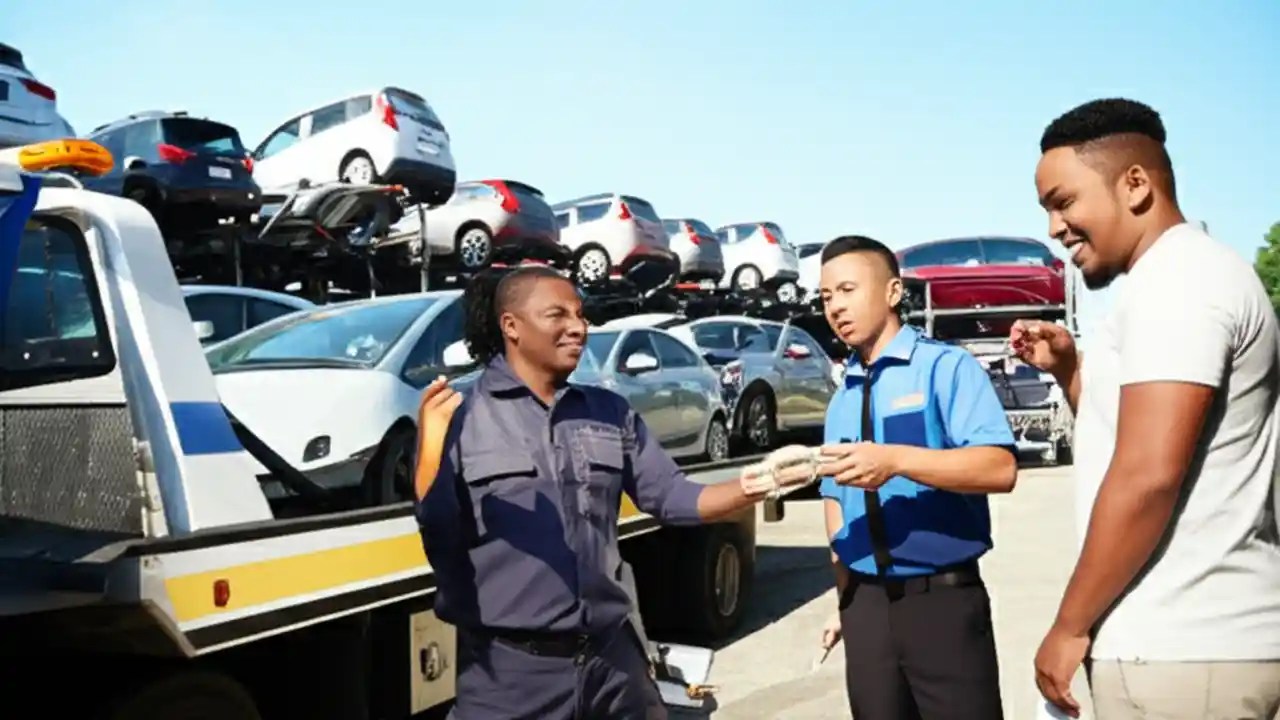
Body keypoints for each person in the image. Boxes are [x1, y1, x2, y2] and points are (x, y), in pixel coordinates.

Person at [412, 264, 806, 720]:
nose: (578, 328)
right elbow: (438, 532)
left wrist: (760, 482)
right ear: (511, 326)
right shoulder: (459, 415)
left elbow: (673, 498)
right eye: (557, 315)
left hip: (613, 663)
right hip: (511, 674)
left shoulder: (608, 411)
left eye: (580, 315)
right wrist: (430, 451)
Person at [1015, 97, 1280, 719]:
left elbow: (1147, 475)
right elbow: (1133, 443)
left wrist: (1069, 625)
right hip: (1184, 653)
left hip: (1185, 653)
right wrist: (1072, 372)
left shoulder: (1180, 282)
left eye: (1064, 201)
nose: (1055, 228)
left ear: (1135, 184)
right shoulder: (1174, 281)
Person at [812, 235, 1019, 720]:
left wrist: (897, 460)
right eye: (826, 297)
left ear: (892, 292)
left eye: (847, 289)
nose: (836, 307)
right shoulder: (843, 393)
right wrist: (843, 597)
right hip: (865, 607)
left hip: (940, 603)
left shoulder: (945, 368)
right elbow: (834, 501)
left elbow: (999, 467)